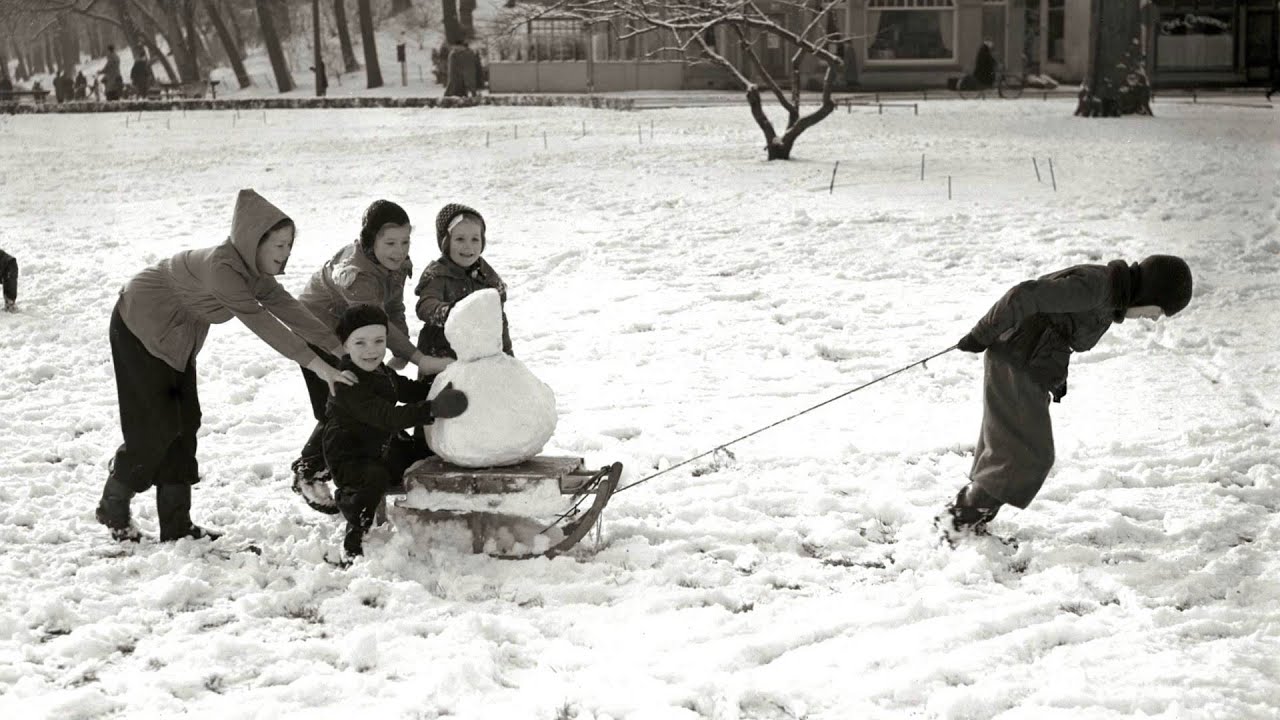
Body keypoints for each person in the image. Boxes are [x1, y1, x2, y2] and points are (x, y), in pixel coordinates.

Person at [96, 189, 356, 543]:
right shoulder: (223, 268)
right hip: (139, 324)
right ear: (254, 241)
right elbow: (262, 322)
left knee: (186, 422)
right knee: (154, 427)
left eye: (289, 245)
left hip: (175, 339)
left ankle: (177, 526)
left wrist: (339, 350)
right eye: (278, 245)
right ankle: (113, 506)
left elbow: (288, 309)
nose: (285, 254)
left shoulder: (254, 272)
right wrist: (318, 366)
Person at [942, 255, 1194, 539]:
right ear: (1151, 292)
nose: (1156, 317)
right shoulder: (1097, 287)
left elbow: (1059, 326)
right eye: (1160, 309)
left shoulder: (1110, 293)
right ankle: (959, 522)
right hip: (1016, 361)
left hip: (1027, 364)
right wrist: (981, 333)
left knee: (1012, 450)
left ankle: (966, 521)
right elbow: (1024, 295)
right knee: (1028, 455)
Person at [292, 200, 453, 514]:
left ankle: (344, 468)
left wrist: (402, 351)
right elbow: (377, 317)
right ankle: (309, 471)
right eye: (390, 242)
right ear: (370, 241)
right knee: (340, 404)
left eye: (405, 241)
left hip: (355, 339)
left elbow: (393, 309)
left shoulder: (395, 264)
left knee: (359, 402)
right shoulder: (357, 275)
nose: (398, 250)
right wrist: (419, 357)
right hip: (318, 336)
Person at [324, 304, 469, 559]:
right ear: (345, 345)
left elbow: (409, 391)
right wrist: (433, 408)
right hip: (351, 455)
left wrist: (443, 386)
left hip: (383, 446)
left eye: (379, 341)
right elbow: (387, 417)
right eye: (360, 343)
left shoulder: (384, 372)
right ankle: (355, 534)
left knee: (424, 458)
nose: (371, 349)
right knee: (373, 479)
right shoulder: (346, 382)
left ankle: (443, 512)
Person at [415, 204, 512, 361]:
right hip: (442, 356)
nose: (468, 246)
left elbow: (498, 321)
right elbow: (425, 305)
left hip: (480, 357)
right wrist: (450, 312)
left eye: (475, 239)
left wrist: (507, 357)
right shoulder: (438, 274)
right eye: (460, 239)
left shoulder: (487, 277)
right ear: (446, 242)